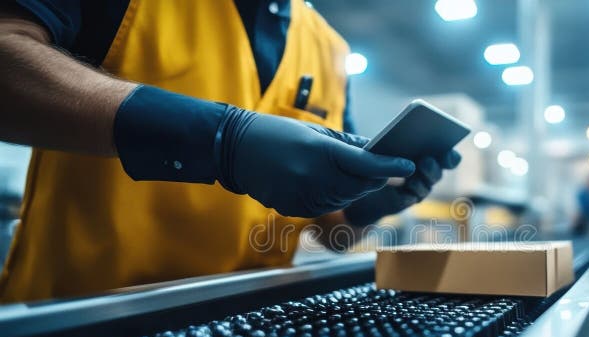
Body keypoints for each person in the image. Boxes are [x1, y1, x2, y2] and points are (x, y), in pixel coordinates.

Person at [0, 0, 460, 302]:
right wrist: (221, 139)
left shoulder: (328, 48)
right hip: (77, 324)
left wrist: (368, 204)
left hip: (244, 326)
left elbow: (329, 232)